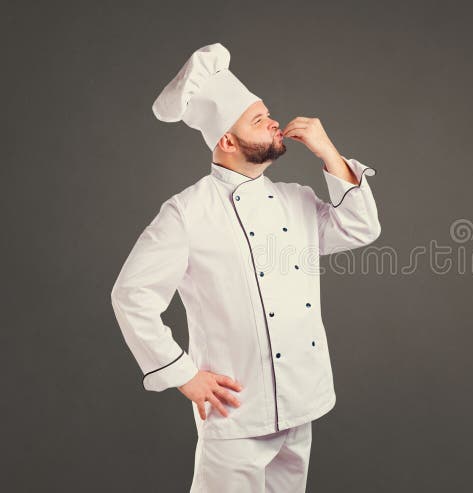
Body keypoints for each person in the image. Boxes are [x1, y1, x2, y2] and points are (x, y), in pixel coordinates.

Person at [110, 42, 381, 492]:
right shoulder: (187, 212)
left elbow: (361, 228)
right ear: (227, 141)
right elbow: (131, 295)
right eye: (259, 119)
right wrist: (184, 374)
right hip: (238, 414)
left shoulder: (295, 199)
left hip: (301, 402)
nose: (274, 121)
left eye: (267, 112)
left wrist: (328, 151)